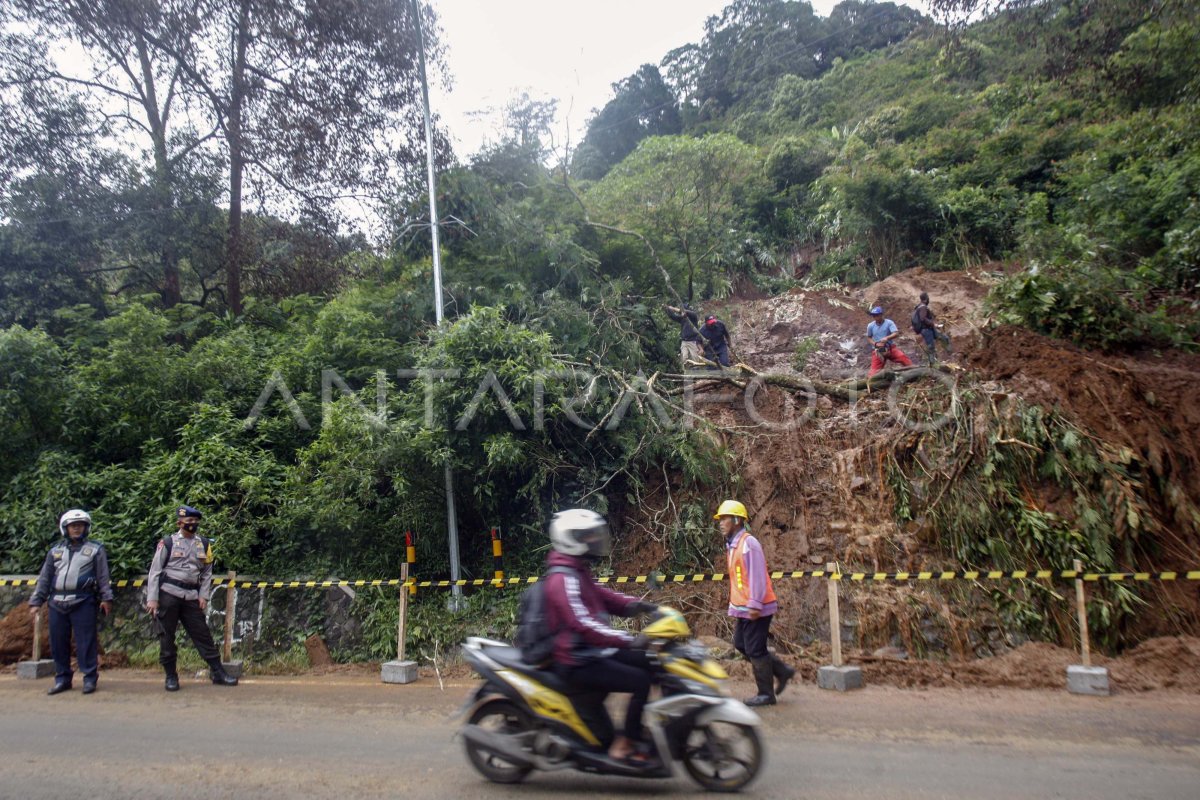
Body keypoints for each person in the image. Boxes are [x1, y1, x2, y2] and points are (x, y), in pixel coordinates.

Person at [541, 509, 658, 764]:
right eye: (587, 537)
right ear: (569, 538)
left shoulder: (576, 570)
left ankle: (642, 728)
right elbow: (583, 624)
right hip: (577, 660)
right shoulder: (562, 578)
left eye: (594, 536)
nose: (593, 541)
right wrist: (628, 639)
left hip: (591, 651)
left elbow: (602, 597)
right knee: (639, 681)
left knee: (649, 660)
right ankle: (624, 743)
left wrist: (637, 606)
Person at [145, 505, 238, 691]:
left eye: (195, 522)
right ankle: (171, 676)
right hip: (168, 595)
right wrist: (152, 599)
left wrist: (203, 595)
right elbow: (155, 572)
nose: (192, 525)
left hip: (191, 597)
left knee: (203, 634)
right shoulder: (168, 542)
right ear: (180, 523)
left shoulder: (203, 543)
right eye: (189, 522)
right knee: (167, 637)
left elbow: (206, 573)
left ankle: (218, 672)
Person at [716, 500, 795, 707]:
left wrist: (754, 604)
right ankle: (782, 671)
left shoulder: (748, 543)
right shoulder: (732, 544)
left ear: (736, 520)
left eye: (724, 518)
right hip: (744, 608)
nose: (721, 523)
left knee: (755, 649)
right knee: (741, 644)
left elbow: (758, 575)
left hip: (756, 607)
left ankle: (766, 694)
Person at [28, 509, 113, 695]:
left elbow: (103, 577)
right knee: (58, 643)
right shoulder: (55, 551)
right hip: (56, 601)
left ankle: (90, 679)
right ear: (65, 528)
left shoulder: (95, 550)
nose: (77, 529)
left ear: (86, 528)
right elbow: (45, 578)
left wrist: (106, 598)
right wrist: (36, 601)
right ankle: (63, 679)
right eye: (73, 526)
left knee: (86, 642)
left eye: (80, 526)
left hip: (84, 600)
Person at [866, 305, 913, 376]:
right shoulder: (870, 326)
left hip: (890, 347)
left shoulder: (889, 323)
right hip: (879, 350)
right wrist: (875, 344)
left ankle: (914, 372)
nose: (875, 317)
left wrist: (887, 338)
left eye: (877, 315)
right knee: (873, 373)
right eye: (874, 316)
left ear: (881, 315)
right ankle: (872, 383)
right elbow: (869, 337)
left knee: (903, 358)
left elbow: (896, 333)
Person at [913, 292, 952, 365]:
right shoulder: (923, 307)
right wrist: (933, 324)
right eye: (928, 298)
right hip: (926, 330)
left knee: (942, 337)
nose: (928, 300)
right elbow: (923, 318)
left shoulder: (919, 306)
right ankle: (933, 364)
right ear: (925, 299)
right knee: (931, 347)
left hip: (929, 329)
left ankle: (950, 353)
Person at [664, 303, 704, 368]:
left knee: (695, 358)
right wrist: (667, 309)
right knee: (684, 359)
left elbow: (684, 312)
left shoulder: (693, 316)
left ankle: (697, 374)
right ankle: (686, 375)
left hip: (693, 341)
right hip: (684, 341)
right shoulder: (682, 318)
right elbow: (673, 317)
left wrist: (673, 308)